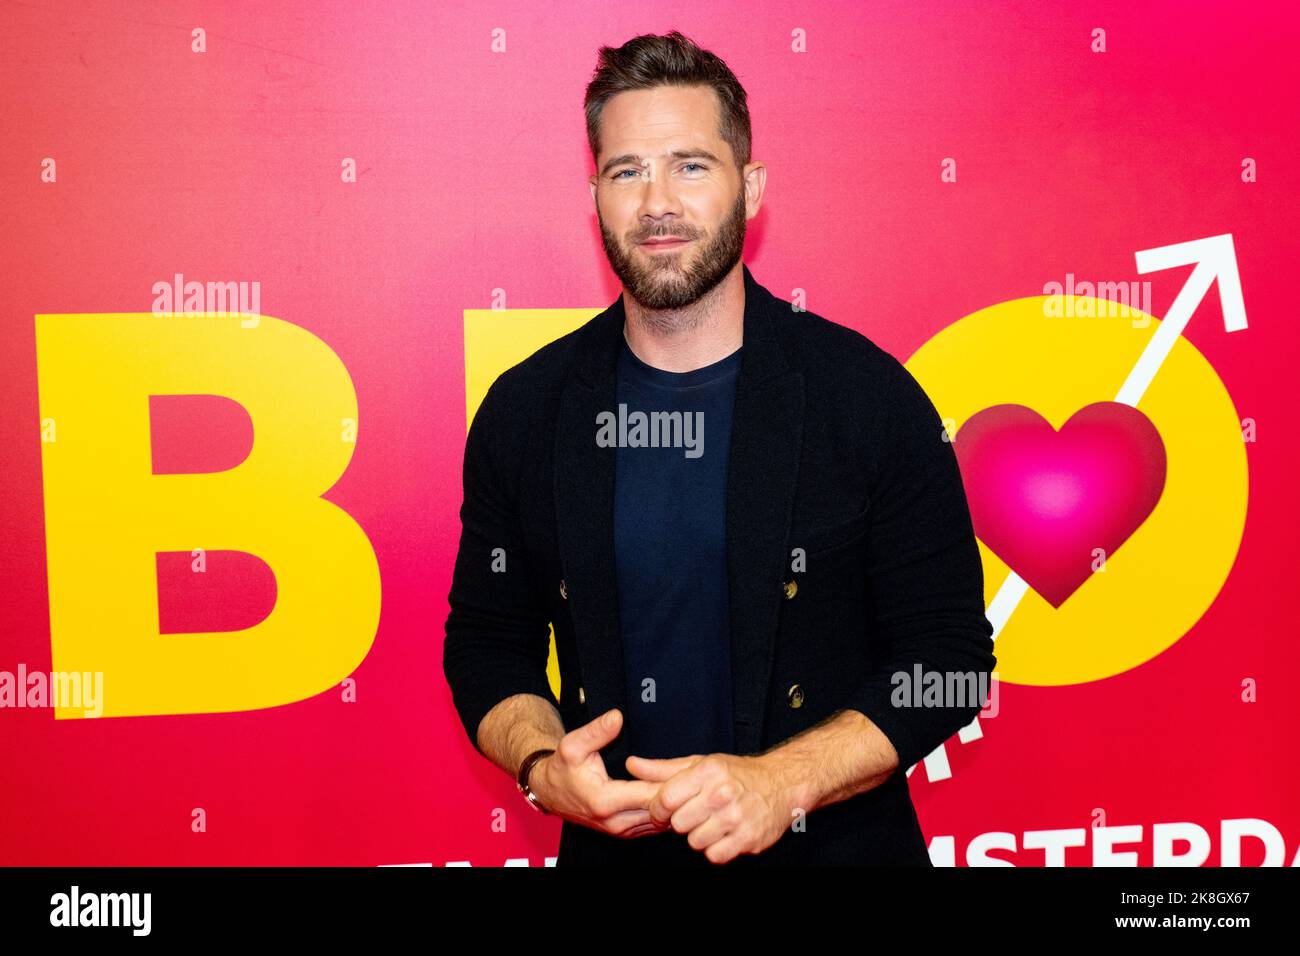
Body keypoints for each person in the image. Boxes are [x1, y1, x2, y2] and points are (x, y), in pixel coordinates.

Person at [443, 30, 995, 866]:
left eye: (691, 166)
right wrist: (540, 764)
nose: (656, 202)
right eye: (627, 171)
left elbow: (951, 661)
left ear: (752, 186)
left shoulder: (866, 396)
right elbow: (485, 643)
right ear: (594, 193)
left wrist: (785, 782)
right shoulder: (527, 410)